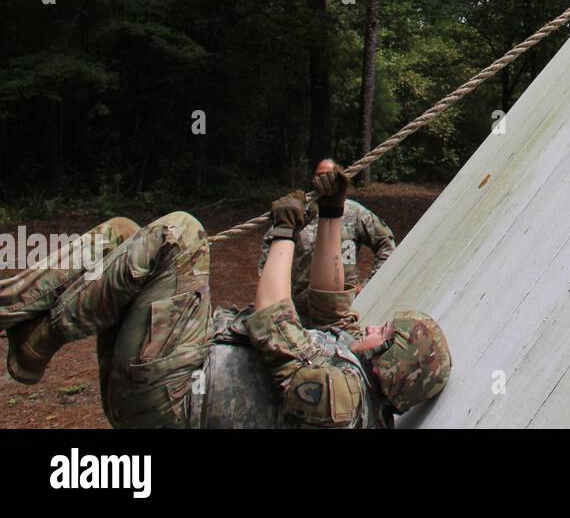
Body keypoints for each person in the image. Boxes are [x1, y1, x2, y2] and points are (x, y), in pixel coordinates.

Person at [2, 165, 450, 428]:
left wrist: (283, 232)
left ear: (393, 365)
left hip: (170, 399)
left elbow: (271, 319)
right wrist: (332, 212)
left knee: (181, 233)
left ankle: (43, 334)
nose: (373, 326)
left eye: (384, 332)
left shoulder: (346, 405)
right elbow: (332, 301)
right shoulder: (353, 362)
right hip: (164, 371)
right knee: (123, 236)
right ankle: (22, 329)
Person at [257, 159, 396, 325]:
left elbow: (386, 244)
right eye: (320, 176)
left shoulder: (354, 212)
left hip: (339, 308)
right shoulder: (298, 212)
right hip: (298, 309)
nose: (325, 180)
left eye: (330, 175)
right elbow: (268, 255)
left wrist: (370, 286)